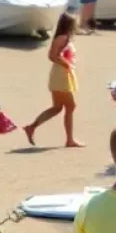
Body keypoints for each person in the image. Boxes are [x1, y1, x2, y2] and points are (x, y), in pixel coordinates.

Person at [23, 11, 83, 149]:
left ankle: (32, 127)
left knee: (58, 107)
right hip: (60, 74)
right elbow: (52, 55)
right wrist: (65, 63)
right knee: (70, 106)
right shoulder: (62, 38)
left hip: (63, 73)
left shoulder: (66, 37)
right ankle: (70, 139)